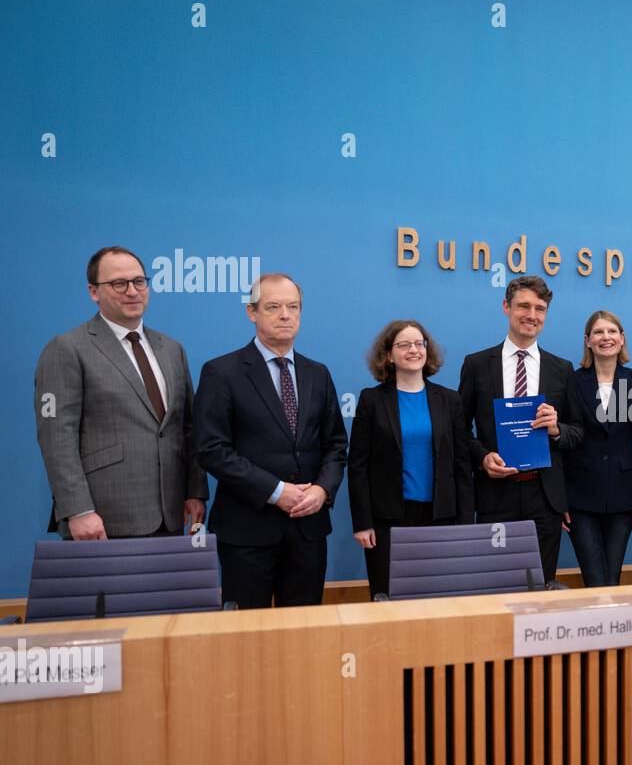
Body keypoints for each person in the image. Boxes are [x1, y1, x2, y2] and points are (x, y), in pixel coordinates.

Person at [193, 273, 348, 609]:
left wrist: (322, 490)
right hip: (247, 530)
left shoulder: (317, 373)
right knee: (250, 639)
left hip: (308, 529)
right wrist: (276, 492)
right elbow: (212, 449)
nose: (285, 315)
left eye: (293, 307)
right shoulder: (222, 372)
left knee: (305, 634)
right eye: (274, 307)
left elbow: (336, 445)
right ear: (252, 312)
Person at [35, 246, 207, 539]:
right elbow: (57, 439)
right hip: (103, 520)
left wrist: (195, 491)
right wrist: (78, 510)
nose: (132, 291)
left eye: (139, 281)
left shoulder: (172, 349)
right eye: (119, 283)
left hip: (171, 516)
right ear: (93, 291)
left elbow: (187, 428)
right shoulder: (67, 348)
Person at [457, 275, 583, 583]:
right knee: (494, 585)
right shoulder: (477, 364)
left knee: (540, 587)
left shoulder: (561, 368)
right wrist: (483, 457)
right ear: (506, 307)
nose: (532, 315)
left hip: (545, 496)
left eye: (540, 308)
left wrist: (556, 429)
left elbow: (577, 430)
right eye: (524, 306)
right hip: (494, 494)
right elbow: (458, 429)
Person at [348, 321, 474, 599]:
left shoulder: (449, 400)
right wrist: (362, 521)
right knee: (388, 599)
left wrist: (466, 523)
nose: (414, 350)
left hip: (441, 518)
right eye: (404, 345)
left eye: (419, 344)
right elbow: (358, 466)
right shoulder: (371, 400)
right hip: (388, 521)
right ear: (389, 355)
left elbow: (462, 467)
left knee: (439, 600)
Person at [563, 311, 632, 587]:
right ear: (588, 341)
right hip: (579, 496)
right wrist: (559, 500)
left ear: (622, 339)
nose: (606, 337)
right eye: (598, 332)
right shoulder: (571, 381)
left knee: (612, 577)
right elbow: (564, 439)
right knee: (594, 577)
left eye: (612, 331)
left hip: (623, 494)